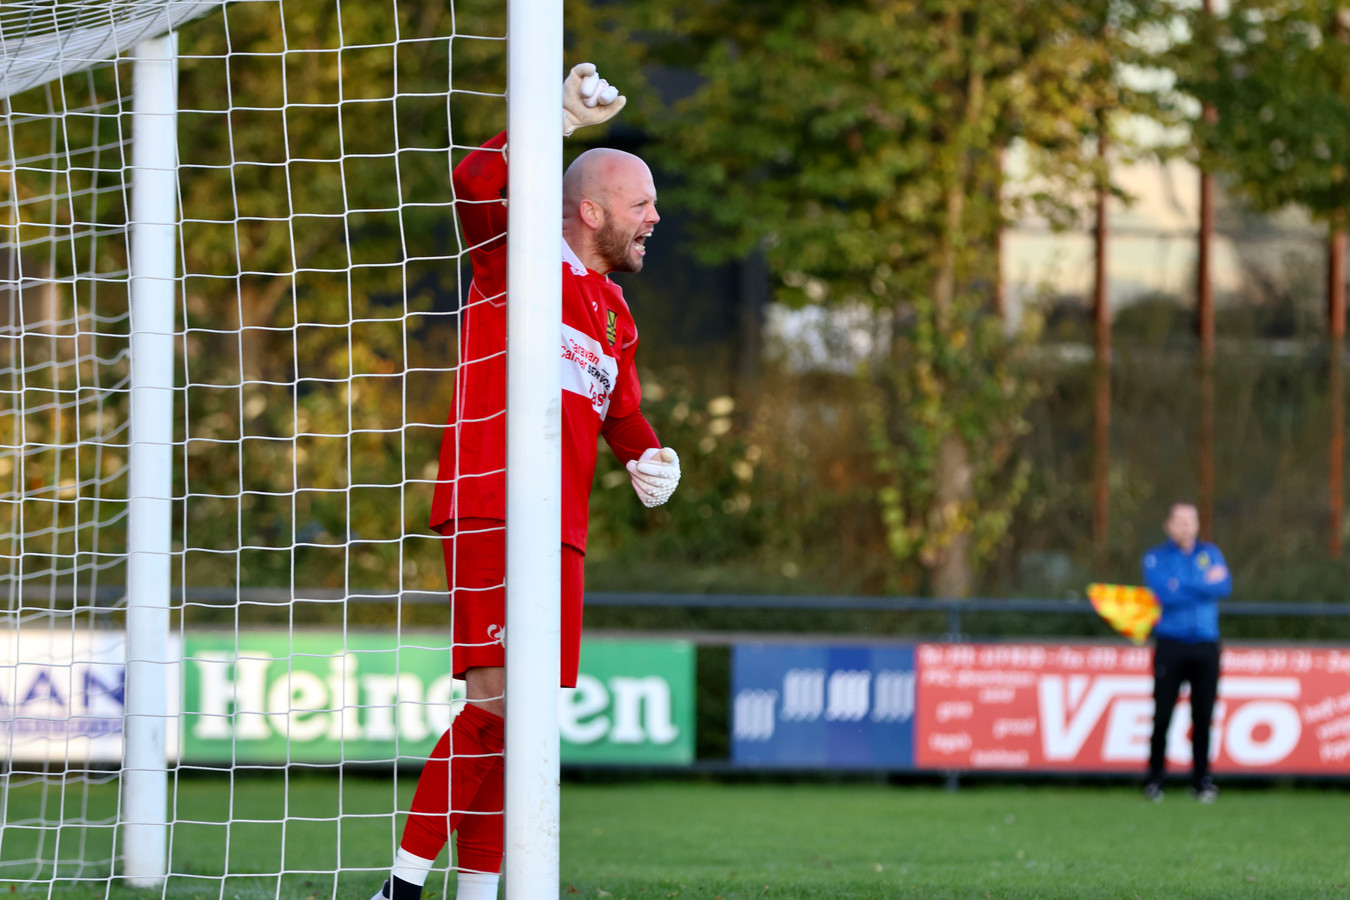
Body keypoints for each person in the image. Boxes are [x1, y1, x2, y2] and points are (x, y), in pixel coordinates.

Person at [371, 64, 680, 900]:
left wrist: (647, 453)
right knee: (498, 705)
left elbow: (621, 411)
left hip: (562, 530)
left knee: (526, 724)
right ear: (591, 210)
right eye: (641, 203)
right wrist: (551, 118)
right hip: (493, 506)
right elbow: (476, 180)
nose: (656, 216)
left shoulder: (617, 316)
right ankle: (399, 888)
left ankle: (477, 892)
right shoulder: (515, 260)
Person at [1141, 502, 1231, 803]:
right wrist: (1203, 585)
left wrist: (1183, 585)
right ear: (1168, 525)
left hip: (1206, 644)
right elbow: (1164, 594)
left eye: (1191, 521)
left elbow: (1225, 586)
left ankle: (1202, 782)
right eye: (1179, 521)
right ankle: (1155, 780)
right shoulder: (1155, 557)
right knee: (1163, 714)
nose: (1186, 526)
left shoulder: (1210, 553)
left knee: (1203, 716)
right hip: (1170, 643)